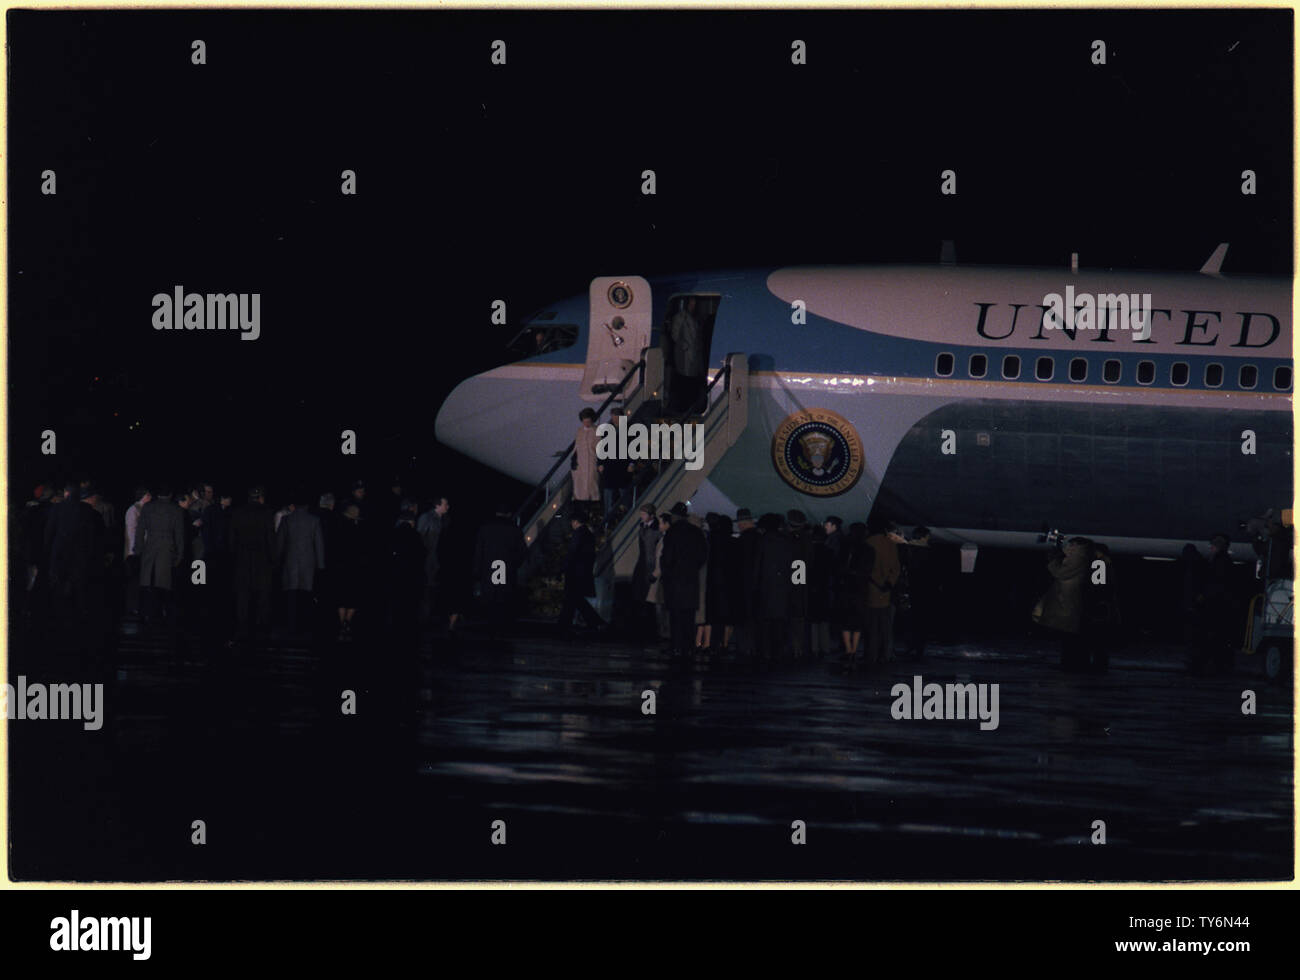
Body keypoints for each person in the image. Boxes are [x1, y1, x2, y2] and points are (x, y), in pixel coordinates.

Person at [1034, 536, 1092, 671]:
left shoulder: (1078, 560)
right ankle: (1074, 663)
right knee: (1073, 638)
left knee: (1073, 639)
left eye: (1072, 546)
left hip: (1072, 605)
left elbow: (1060, 572)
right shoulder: (1081, 559)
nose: (1068, 548)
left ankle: (1073, 664)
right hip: (1073, 604)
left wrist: (1053, 560)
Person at [133, 484, 185, 625]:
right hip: (168, 548)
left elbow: (140, 530)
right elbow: (179, 535)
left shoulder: (148, 507)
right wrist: (180, 554)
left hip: (150, 546)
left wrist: (138, 549)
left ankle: (148, 614)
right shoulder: (176, 510)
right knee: (165, 583)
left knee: (148, 582)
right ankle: (163, 614)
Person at [660, 502, 708, 657]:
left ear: (674, 516)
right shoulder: (696, 532)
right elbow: (703, 555)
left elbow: (667, 557)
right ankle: (688, 646)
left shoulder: (672, 533)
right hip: (691, 578)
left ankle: (676, 645)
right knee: (688, 616)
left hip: (674, 579)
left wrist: (667, 572)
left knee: (675, 616)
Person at [230, 486, 276, 644]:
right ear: (261, 497)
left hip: (242, 559)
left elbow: (232, 538)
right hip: (262, 560)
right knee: (263, 595)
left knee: (243, 595)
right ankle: (261, 627)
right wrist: (273, 559)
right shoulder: (267, 512)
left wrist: (233, 557)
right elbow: (270, 538)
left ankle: (242, 626)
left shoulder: (237, 512)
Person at [276, 493, 326, 635]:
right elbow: (319, 544)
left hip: (290, 562)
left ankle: (291, 625)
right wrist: (321, 565)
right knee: (306, 595)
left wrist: (277, 561)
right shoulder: (314, 520)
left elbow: (280, 543)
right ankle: (305, 624)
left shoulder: (287, 520)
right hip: (308, 563)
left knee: (291, 595)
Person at [474, 503, 527, 630]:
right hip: (506, 568)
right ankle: (502, 624)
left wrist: (477, 570)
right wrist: (514, 564)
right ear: (509, 514)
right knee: (504, 597)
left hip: (489, 568)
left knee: (490, 597)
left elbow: (478, 551)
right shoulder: (514, 529)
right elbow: (522, 552)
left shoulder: (485, 528)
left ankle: (489, 623)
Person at [750, 513, 794, 661]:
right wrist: (797, 584)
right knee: (780, 622)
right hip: (783, 587)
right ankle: (778, 651)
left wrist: (755, 585)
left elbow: (757, 565)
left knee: (765, 623)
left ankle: (765, 651)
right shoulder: (787, 542)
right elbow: (795, 565)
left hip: (765, 587)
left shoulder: (762, 541)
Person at [558, 506, 604, 635]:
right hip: (582, 572)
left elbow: (572, 553)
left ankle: (564, 626)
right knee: (576, 599)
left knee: (572, 599)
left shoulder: (578, 534)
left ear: (576, 521)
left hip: (575, 573)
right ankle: (595, 622)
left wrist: (563, 568)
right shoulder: (588, 534)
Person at [864, 517, 901, 665]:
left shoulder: (868, 543)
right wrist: (888, 583)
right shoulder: (891, 544)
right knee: (884, 627)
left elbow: (865, 568)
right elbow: (896, 568)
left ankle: (871, 655)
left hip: (870, 590)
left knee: (871, 627)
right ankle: (883, 654)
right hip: (886, 592)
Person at [666, 297, 707, 415]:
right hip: (685, 357)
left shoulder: (695, 319)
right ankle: (682, 408)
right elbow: (675, 335)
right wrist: (686, 347)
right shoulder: (680, 318)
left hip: (694, 356)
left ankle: (690, 406)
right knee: (684, 382)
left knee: (692, 382)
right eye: (691, 304)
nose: (693, 306)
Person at [333, 503, 367, 639]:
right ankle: (347, 621)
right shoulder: (358, 531)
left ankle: (342, 623)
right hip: (355, 568)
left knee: (342, 597)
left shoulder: (339, 529)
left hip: (341, 567)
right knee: (353, 598)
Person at [632, 504, 661, 641]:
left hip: (648, 565)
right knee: (641, 596)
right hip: (643, 563)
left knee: (647, 597)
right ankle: (643, 628)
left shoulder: (654, 530)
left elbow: (651, 550)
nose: (641, 516)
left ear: (650, 515)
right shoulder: (644, 527)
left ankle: (648, 630)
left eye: (643, 514)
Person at [572, 408, 600, 506]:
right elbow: (576, 446)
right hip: (580, 463)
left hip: (592, 461)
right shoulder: (579, 431)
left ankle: (593, 505)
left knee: (592, 484)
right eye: (584, 421)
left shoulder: (596, 431)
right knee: (580, 486)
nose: (586, 423)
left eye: (588, 421)